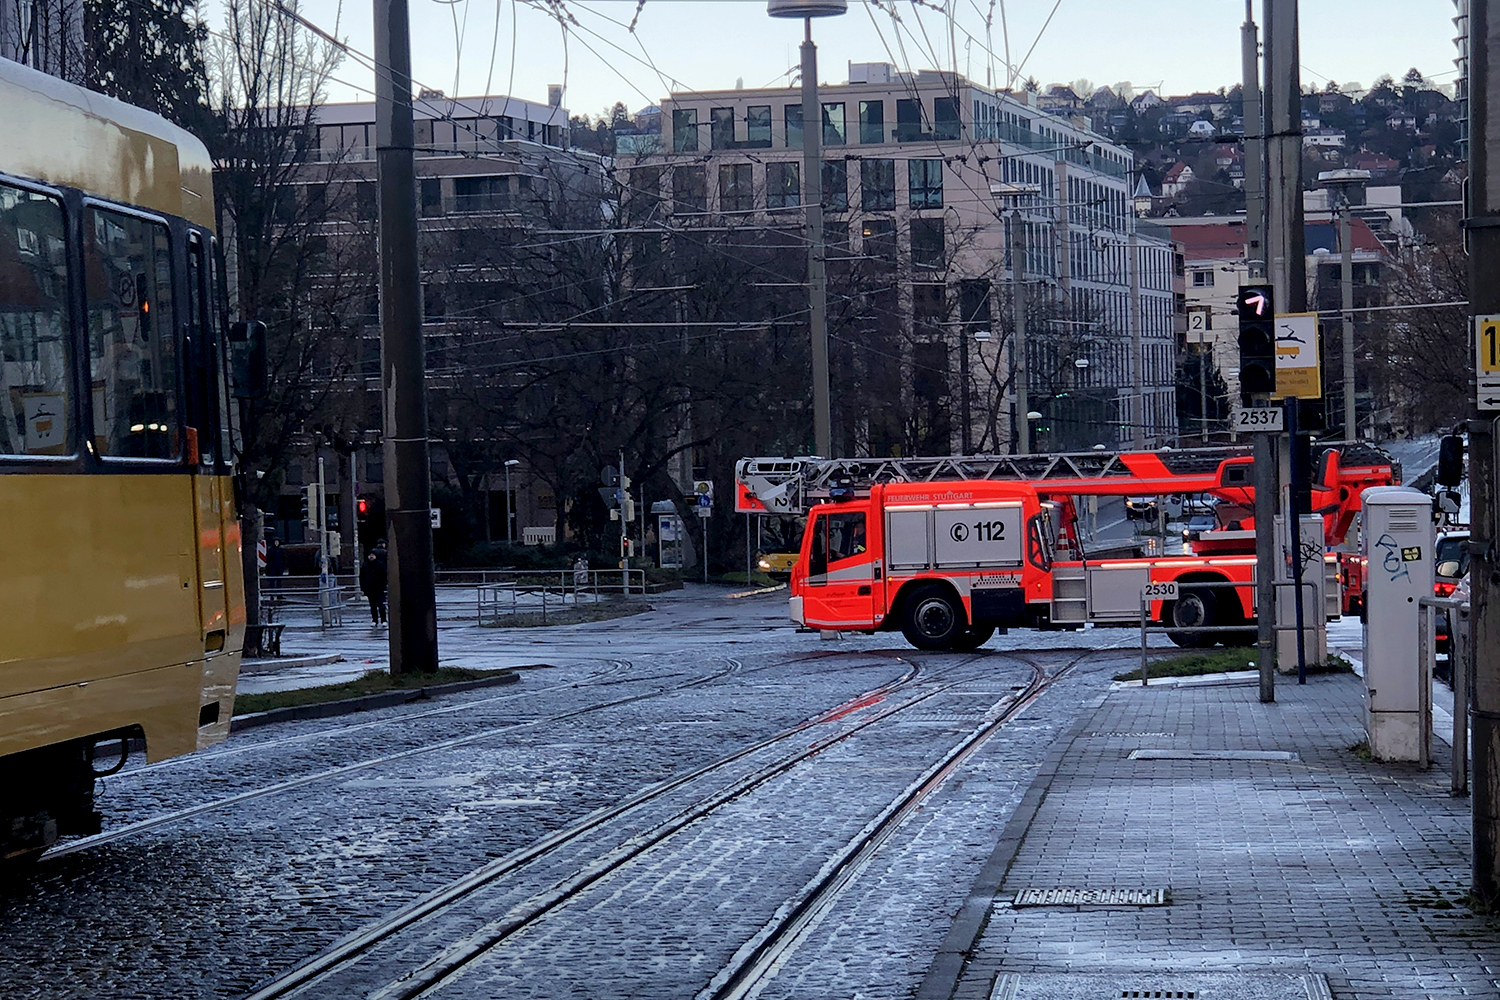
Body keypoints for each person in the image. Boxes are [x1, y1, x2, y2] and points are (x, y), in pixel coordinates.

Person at [359, 549, 387, 624]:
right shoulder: (365, 565)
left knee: (381, 605)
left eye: (372, 555)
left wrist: (383, 585)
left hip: (379, 588)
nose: (371, 557)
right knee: (373, 606)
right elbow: (362, 578)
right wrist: (363, 588)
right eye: (370, 555)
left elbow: (384, 576)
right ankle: (375, 620)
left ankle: (383, 620)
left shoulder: (380, 565)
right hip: (369, 589)